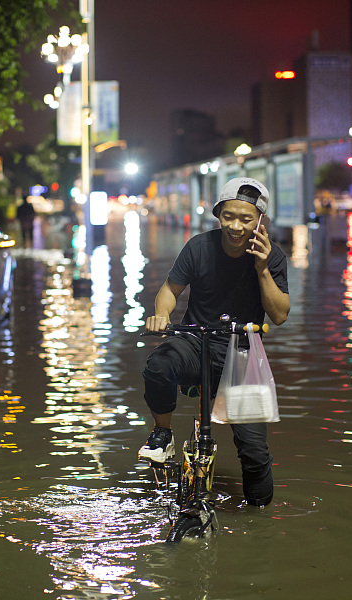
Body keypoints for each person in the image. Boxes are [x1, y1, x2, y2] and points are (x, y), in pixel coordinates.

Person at [139, 177, 290, 507]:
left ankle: (259, 517)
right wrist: (162, 316)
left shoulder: (273, 257)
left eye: (246, 219)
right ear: (218, 214)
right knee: (159, 363)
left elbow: (279, 315)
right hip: (196, 342)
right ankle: (162, 433)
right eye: (228, 216)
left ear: (260, 220)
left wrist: (262, 269)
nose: (236, 227)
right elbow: (169, 290)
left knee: (254, 452)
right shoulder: (199, 247)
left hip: (242, 353)